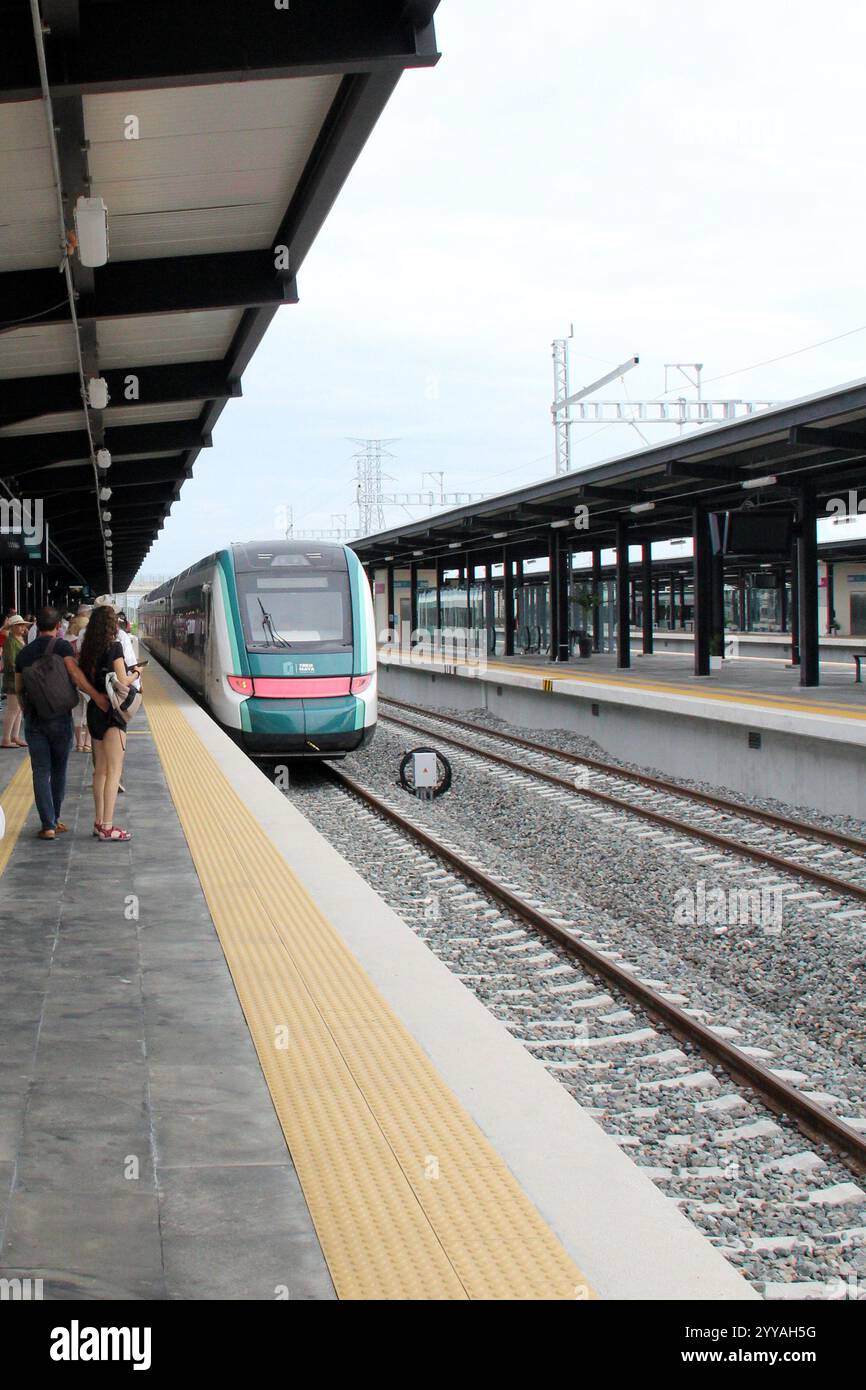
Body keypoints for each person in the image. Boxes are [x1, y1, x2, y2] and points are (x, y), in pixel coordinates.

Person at [15, 606, 110, 841]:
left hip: (34, 718)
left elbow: (18, 689)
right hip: (59, 717)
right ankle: (54, 820)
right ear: (58, 627)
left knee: (40, 770)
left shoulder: (24, 654)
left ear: (37, 625)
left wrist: (27, 709)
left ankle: (46, 825)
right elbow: (76, 677)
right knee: (59, 769)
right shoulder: (62, 647)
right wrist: (97, 697)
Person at [77, 605, 137, 841]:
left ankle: (98, 822)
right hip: (112, 712)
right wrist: (136, 675)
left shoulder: (87, 650)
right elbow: (122, 681)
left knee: (99, 770)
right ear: (112, 625)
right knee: (114, 771)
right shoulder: (114, 646)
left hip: (95, 709)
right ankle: (108, 826)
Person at [66, 607, 92, 752]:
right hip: (86, 679)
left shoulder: (67, 641)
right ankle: (87, 742)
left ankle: (78, 743)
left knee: (77, 711)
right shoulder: (87, 640)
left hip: (73, 679)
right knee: (89, 711)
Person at [1, 615, 29, 747]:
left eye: (23, 624)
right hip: (13, 679)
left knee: (17, 710)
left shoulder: (18, 639)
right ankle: (6, 738)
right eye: (19, 625)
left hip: (18, 677)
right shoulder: (11, 641)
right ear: (12, 627)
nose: (23, 627)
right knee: (13, 709)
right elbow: (10, 662)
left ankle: (14, 736)